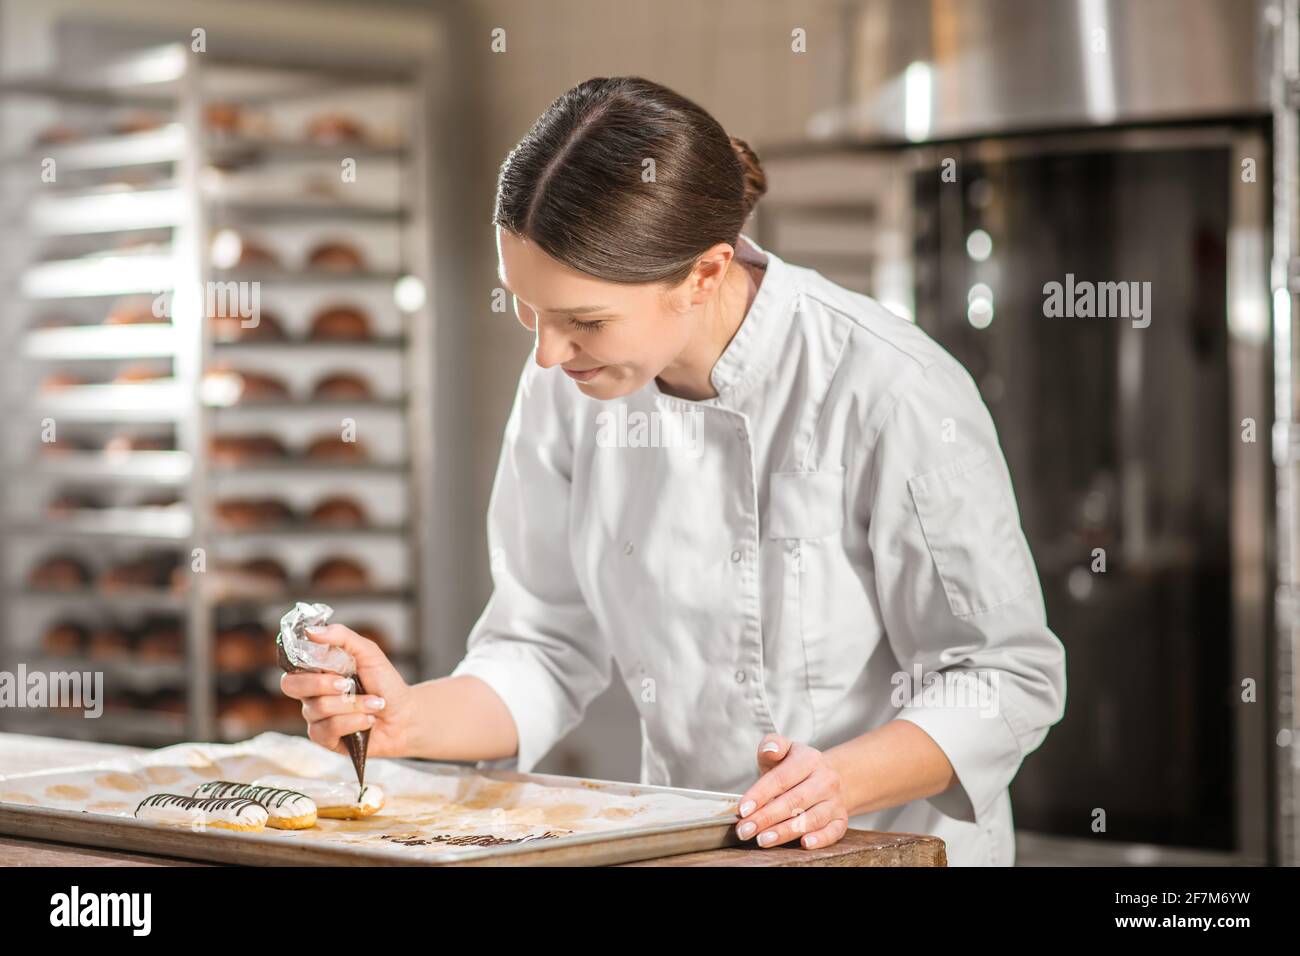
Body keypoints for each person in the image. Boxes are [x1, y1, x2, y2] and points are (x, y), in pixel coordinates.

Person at [281, 76, 1067, 866]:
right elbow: (543, 646)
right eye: (526, 308)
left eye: (584, 320)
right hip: (693, 852)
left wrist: (837, 781)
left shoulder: (889, 387)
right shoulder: (567, 383)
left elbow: (1005, 674)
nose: (548, 354)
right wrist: (409, 719)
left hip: (888, 852)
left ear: (703, 273)